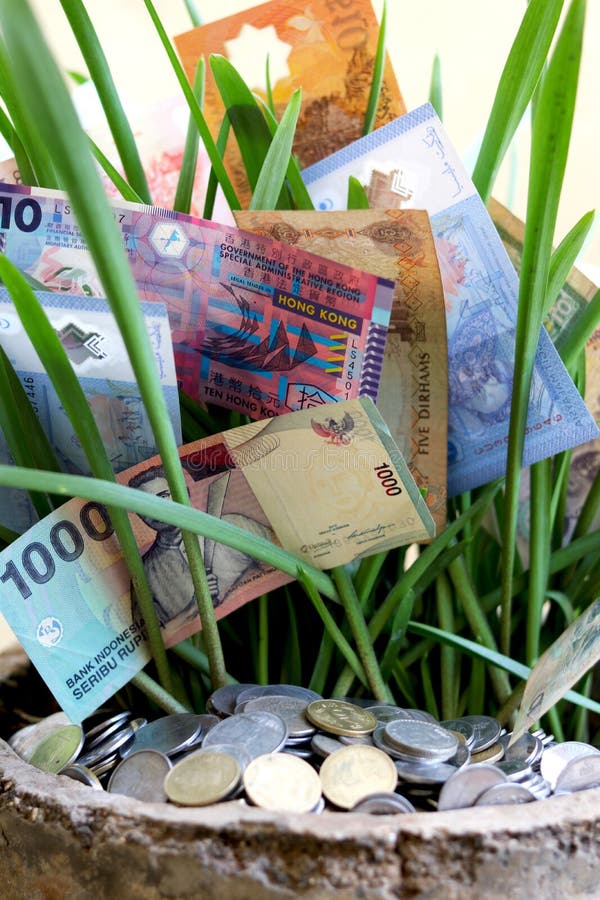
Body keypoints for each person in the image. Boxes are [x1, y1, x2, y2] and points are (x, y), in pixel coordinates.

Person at [128, 464, 273, 631]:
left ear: (184, 493)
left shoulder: (235, 526)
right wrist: (193, 608)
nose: (155, 509)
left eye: (163, 496)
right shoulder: (143, 573)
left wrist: (231, 590)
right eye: (143, 505)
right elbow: (148, 636)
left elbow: (278, 562)